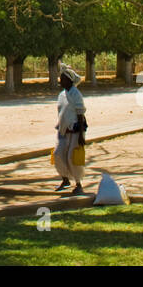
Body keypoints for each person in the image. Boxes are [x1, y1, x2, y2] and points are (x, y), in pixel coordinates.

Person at [53, 63, 87, 194]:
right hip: (63, 131)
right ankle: (65, 179)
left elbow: (80, 113)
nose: (61, 81)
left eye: (63, 79)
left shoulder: (76, 94)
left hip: (76, 131)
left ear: (69, 80)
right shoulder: (62, 94)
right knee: (58, 154)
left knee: (72, 158)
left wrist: (80, 136)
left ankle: (78, 184)